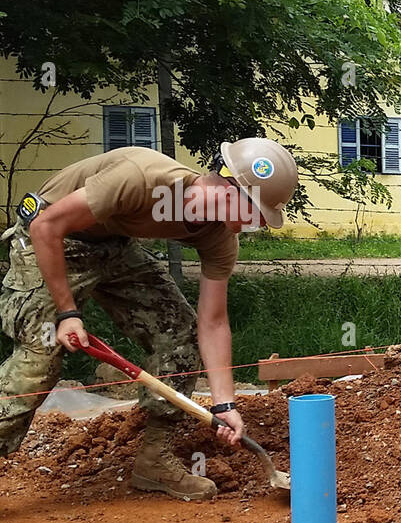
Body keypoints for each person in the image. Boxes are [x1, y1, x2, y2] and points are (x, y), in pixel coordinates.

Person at [0, 138, 298, 501]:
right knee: (41, 354)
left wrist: (225, 405)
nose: (257, 225)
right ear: (234, 192)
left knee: (179, 333)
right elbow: (47, 226)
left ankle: (154, 459)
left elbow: (213, 322)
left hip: (112, 242)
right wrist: (67, 314)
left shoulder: (220, 237)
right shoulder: (143, 178)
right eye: (257, 215)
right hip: (51, 235)